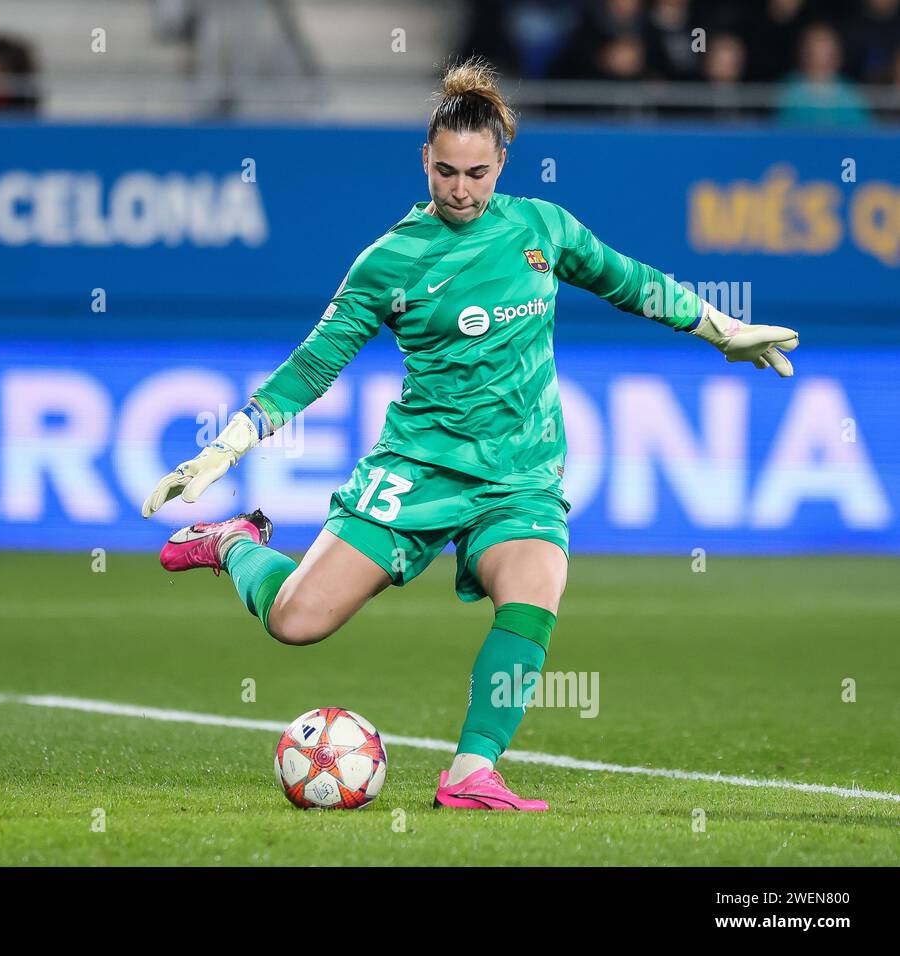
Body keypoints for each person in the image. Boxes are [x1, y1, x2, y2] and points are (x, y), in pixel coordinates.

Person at [141, 59, 799, 812]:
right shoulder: (389, 262)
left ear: (501, 164)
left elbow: (630, 280)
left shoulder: (541, 228)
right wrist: (225, 447)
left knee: (535, 586)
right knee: (296, 621)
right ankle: (232, 541)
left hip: (520, 475)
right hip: (421, 468)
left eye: (478, 173)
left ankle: (470, 771)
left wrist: (724, 329)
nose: (461, 189)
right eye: (447, 171)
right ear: (425, 159)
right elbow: (313, 366)